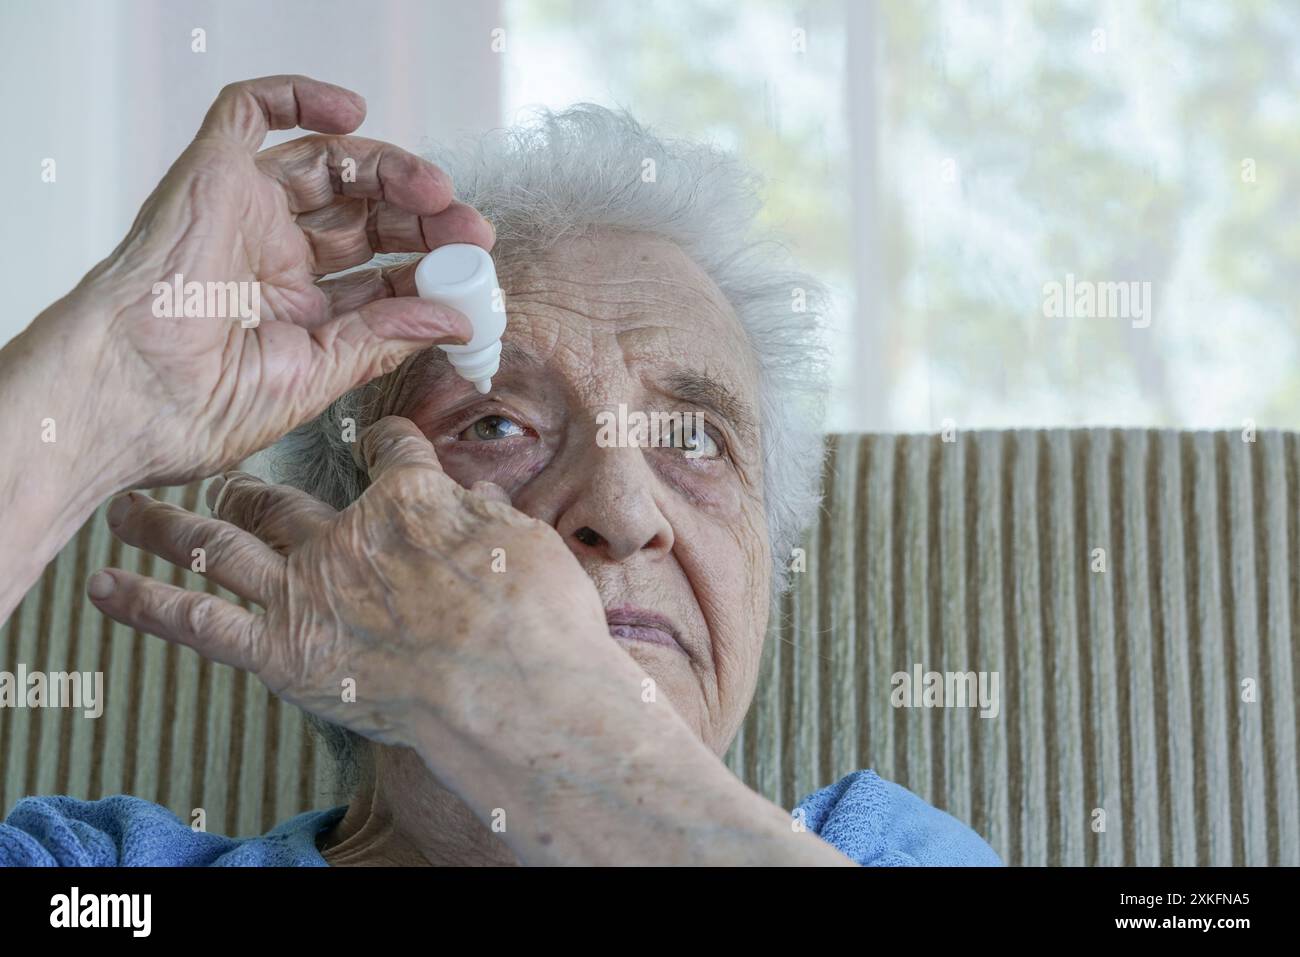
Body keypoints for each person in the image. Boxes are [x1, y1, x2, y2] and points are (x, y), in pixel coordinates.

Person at [0, 75, 1000, 866]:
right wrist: (90, 393)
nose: (620, 510)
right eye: (495, 424)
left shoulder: (877, 851)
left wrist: (561, 745)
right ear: (337, 555)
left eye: (695, 440)